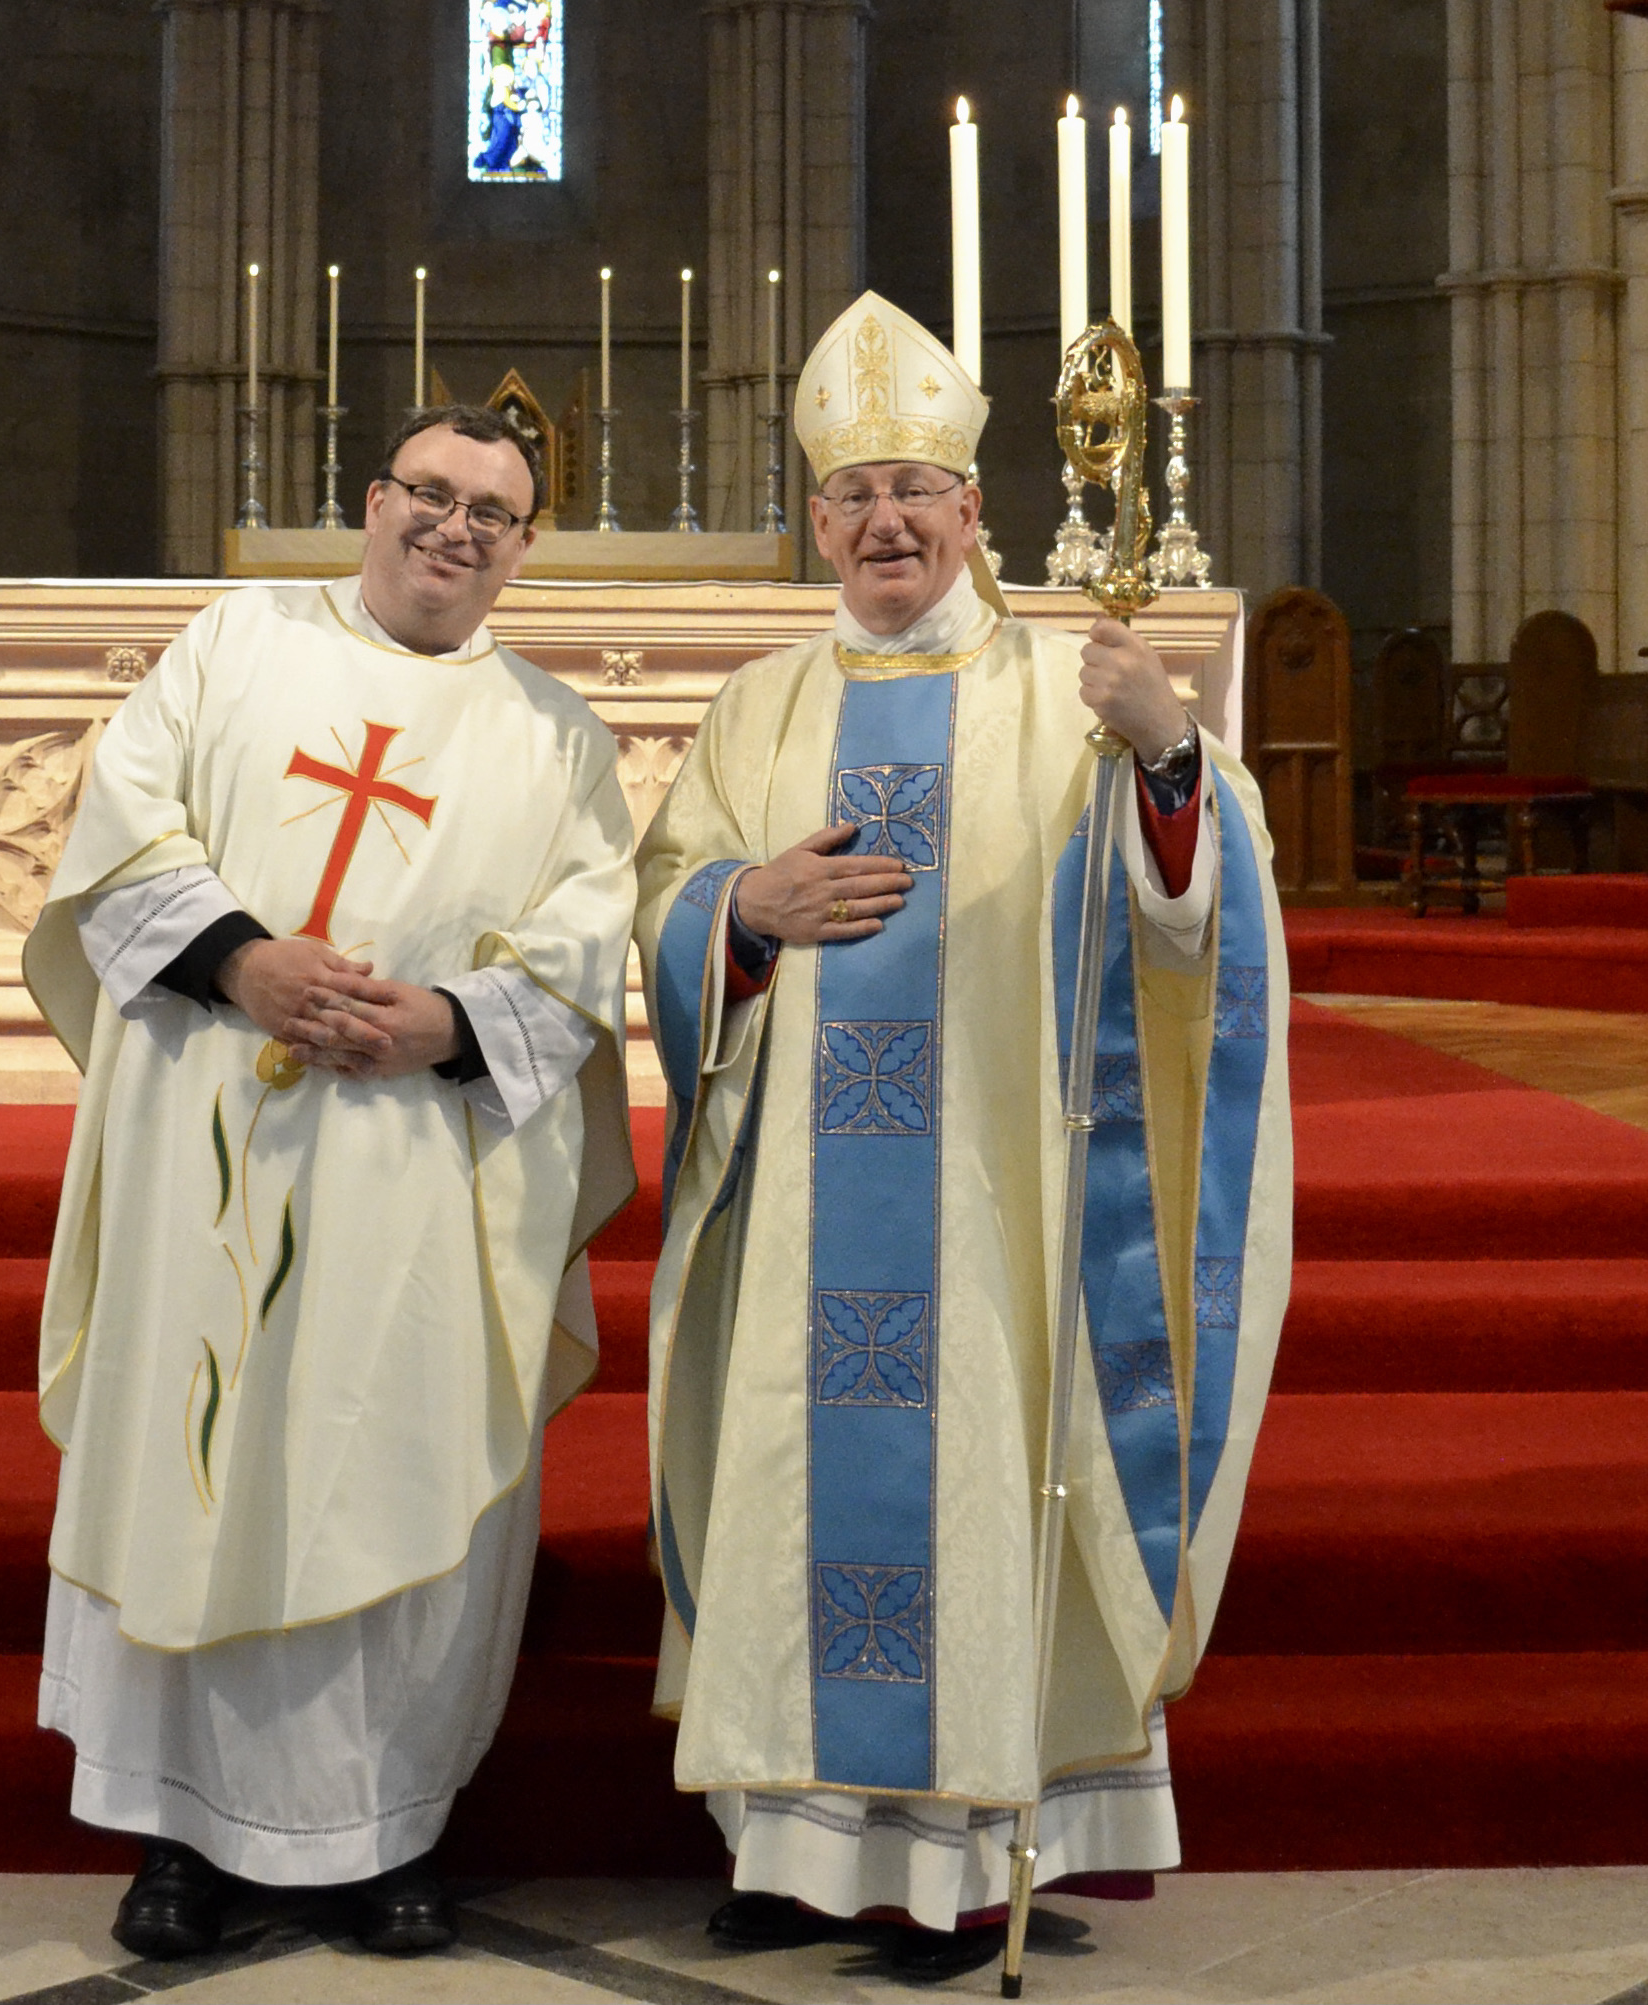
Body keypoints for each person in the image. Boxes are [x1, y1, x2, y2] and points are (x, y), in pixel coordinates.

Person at [634, 292, 1290, 1981]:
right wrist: (742, 908)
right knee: (792, 1465)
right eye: (851, 497)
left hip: (1001, 1200)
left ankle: (953, 1856)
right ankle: (798, 1838)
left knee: (978, 1486)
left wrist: (1162, 756)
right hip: (796, 1206)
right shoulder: (758, 707)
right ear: (815, 521)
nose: (883, 523)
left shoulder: (1064, 692)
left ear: (974, 511)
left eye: (915, 491)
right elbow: (666, 900)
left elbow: (1187, 927)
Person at [23, 405, 636, 1960]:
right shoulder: (235, 642)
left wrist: (445, 1026)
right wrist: (243, 963)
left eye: (493, 511)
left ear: (524, 543)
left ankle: (384, 1830)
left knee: (396, 1459)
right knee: (197, 1452)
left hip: (418, 1161)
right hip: (208, 1125)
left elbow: (578, 947)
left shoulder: (556, 733)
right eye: (429, 494)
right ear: (370, 503)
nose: (455, 527)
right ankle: (176, 1828)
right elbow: (118, 828)